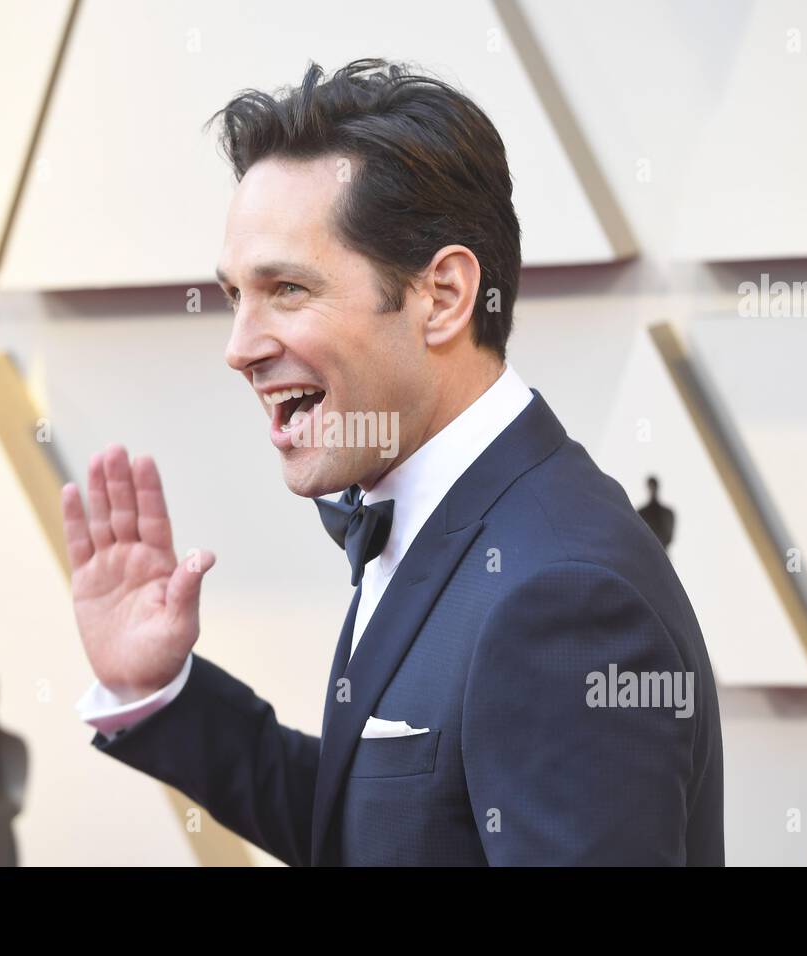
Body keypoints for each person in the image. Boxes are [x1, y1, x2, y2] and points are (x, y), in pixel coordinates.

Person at [62, 58, 724, 866]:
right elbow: (388, 828)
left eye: (288, 289)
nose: (239, 347)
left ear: (442, 297)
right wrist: (162, 690)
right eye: (236, 295)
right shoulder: (441, 511)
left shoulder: (563, 599)